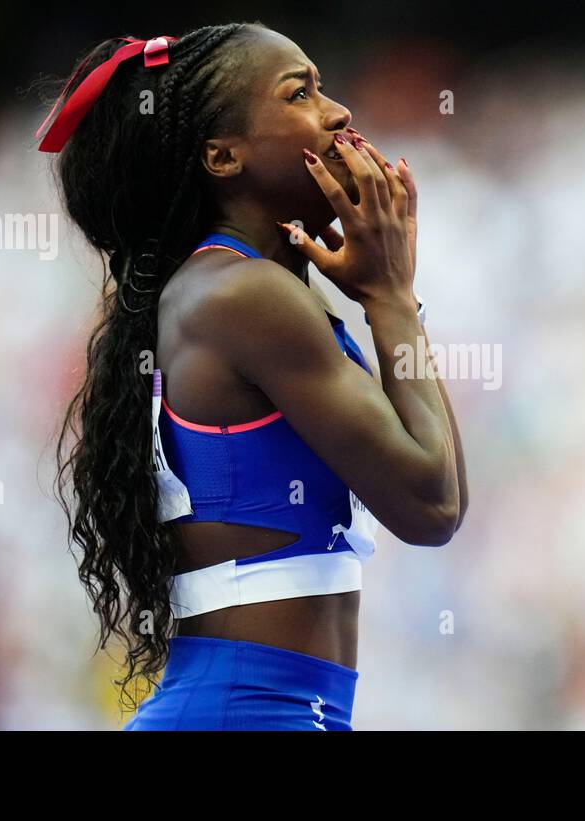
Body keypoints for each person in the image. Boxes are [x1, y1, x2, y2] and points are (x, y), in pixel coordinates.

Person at [42, 21, 468, 729]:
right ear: (222, 155)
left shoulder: (244, 291)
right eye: (299, 93)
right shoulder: (243, 296)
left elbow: (442, 488)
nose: (338, 114)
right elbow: (432, 505)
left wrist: (390, 299)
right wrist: (391, 299)